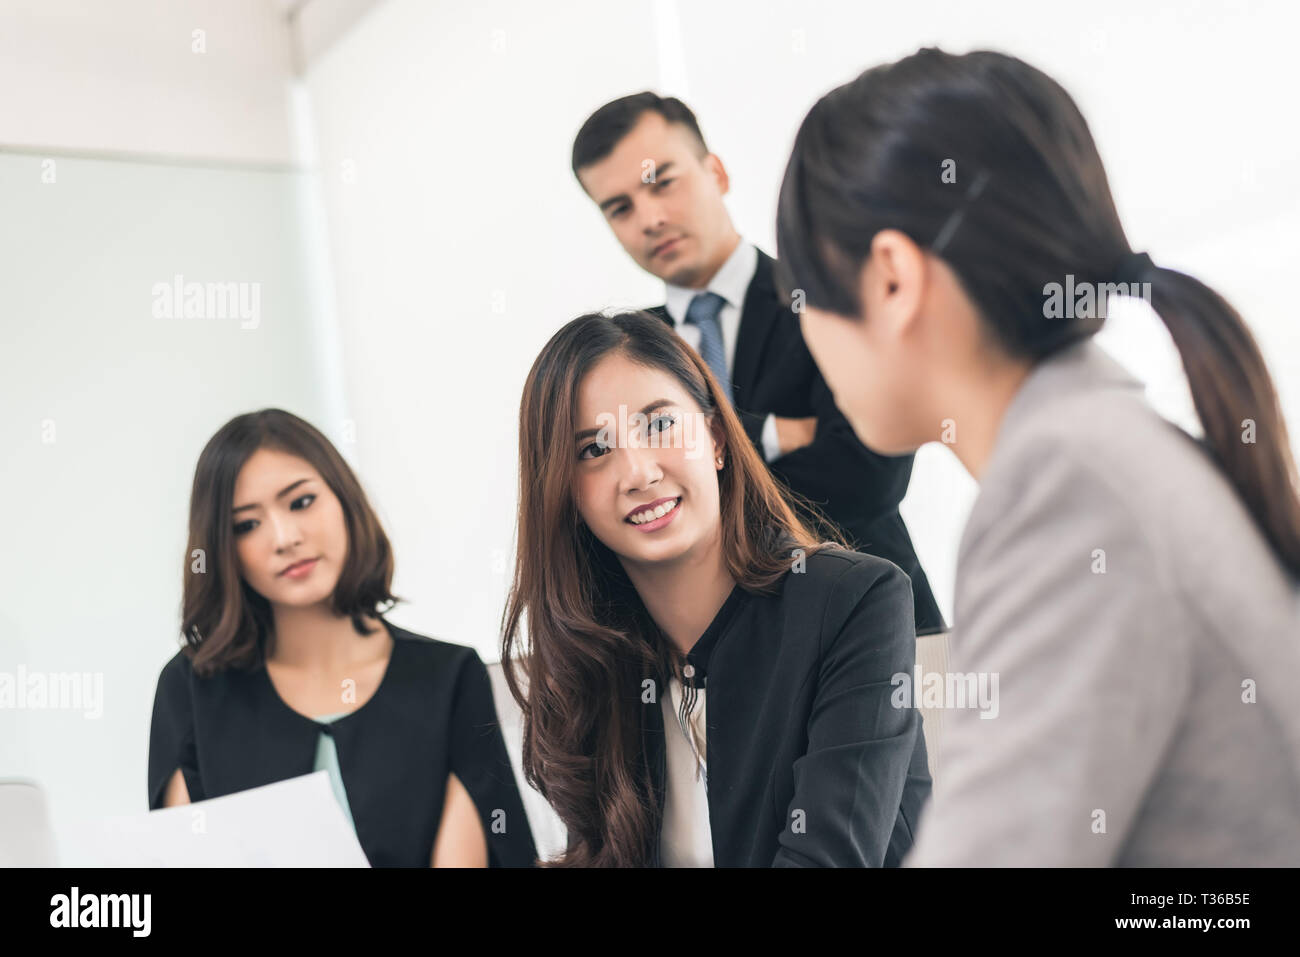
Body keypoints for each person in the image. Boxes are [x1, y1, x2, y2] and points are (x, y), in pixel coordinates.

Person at [775, 47, 1300, 865]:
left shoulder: (1067, 484)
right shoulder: (1106, 445)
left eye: (799, 297)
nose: (803, 334)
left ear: (891, 279)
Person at [500, 310, 930, 866]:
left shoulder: (853, 603)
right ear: (566, 495)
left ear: (718, 440)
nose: (639, 473)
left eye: (658, 425)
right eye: (594, 450)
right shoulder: (595, 663)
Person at [571, 93, 945, 635]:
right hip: (713, 649)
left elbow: (868, 478)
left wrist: (695, 484)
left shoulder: (826, 296)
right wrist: (772, 432)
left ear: (715, 172)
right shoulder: (621, 354)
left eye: (663, 182)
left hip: (878, 627)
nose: (650, 218)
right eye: (620, 207)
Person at [147, 409, 537, 867]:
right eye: (246, 525)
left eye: (301, 502)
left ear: (344, 500)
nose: (284, 537)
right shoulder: (191, 687)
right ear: (222, 549)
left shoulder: (448, 678)